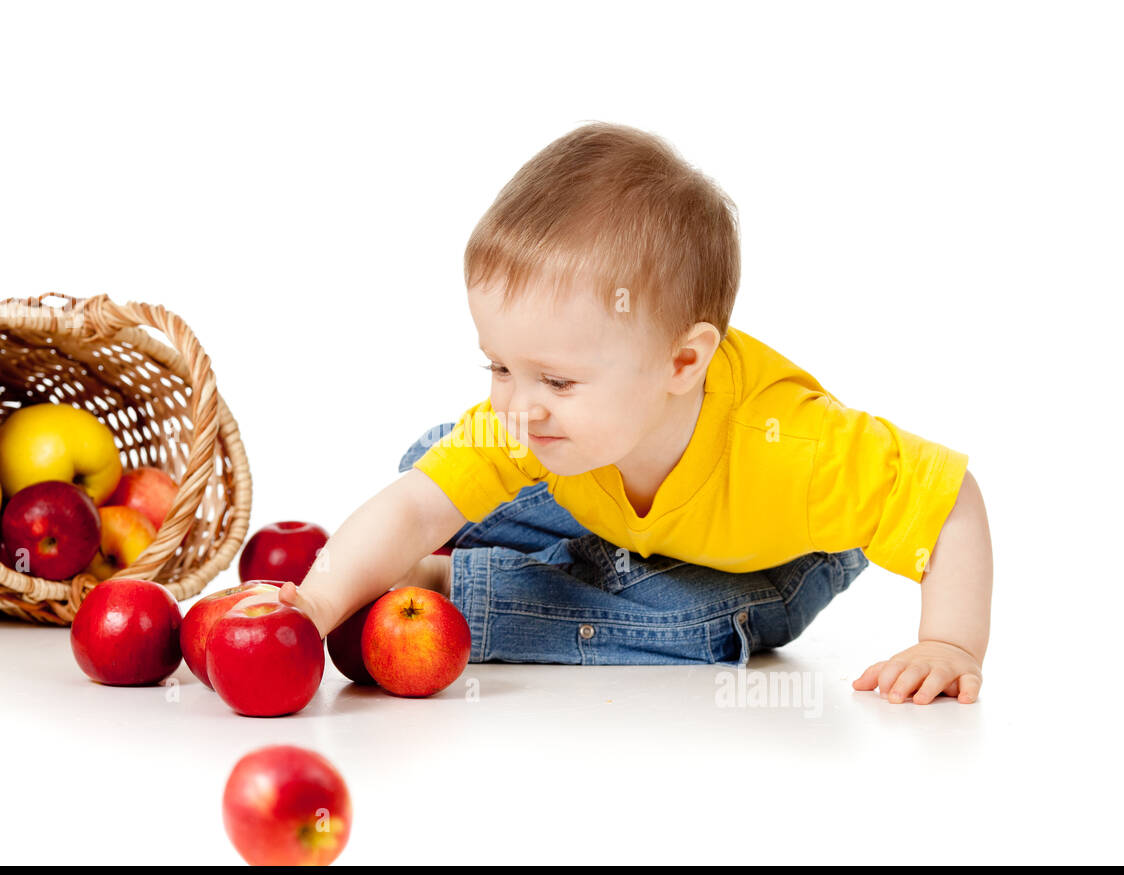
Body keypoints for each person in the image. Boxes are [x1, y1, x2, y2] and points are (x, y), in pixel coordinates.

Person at [278, 122, 992, 705]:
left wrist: (950, 643)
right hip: (612, 491)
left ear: (683, 363)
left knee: (702, 619)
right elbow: (417, 502)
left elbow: (948, 497)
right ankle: (587, 555)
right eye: (497, 366)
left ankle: (460, 585)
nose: (517, 404)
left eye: (555, 378)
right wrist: (314, 603)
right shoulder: (542, 413)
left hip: (771, 554)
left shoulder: (796, 450)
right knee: (429, 463)